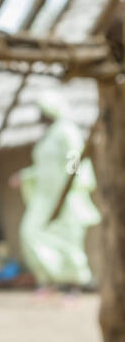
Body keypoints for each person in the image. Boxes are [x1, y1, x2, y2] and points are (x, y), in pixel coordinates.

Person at [11, 92, 101, 289]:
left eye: (42, 112)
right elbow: (45, 169)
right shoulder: (49, 135)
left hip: (66, 197)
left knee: (68, 239)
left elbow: (74, 158)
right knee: (31, 232)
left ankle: (75, 284)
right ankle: (49, 280)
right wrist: (25, 176)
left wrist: (69, 183)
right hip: (46, 198)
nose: (39, 116)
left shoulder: (66, 131)